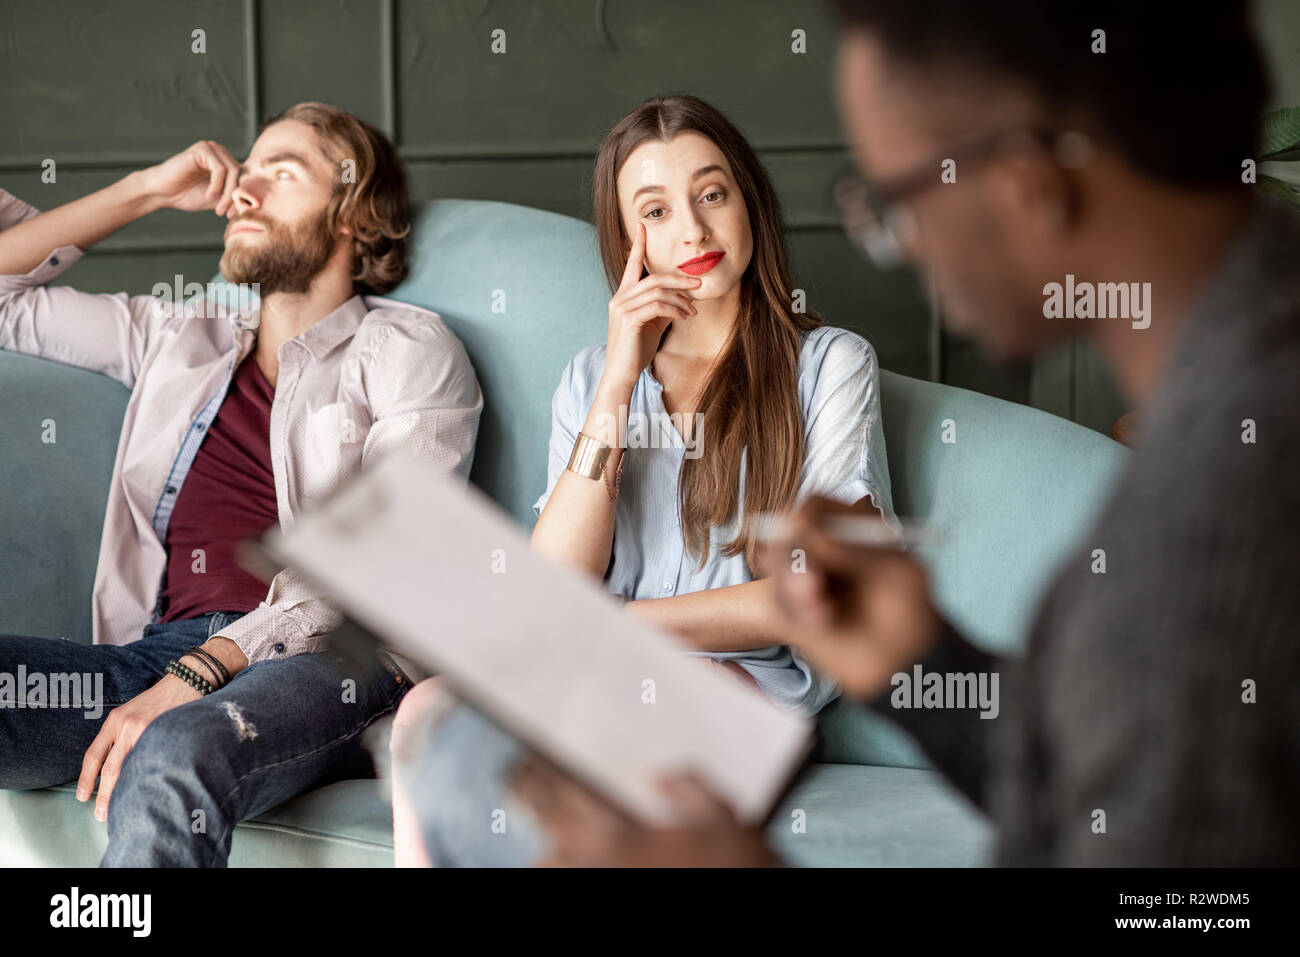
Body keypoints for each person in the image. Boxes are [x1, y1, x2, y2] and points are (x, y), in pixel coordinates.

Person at [506, 0, 1300, 867]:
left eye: (893, 202)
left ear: (1029, 186)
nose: (902, 245)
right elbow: (1079, 790)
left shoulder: (1232, 501)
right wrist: (918, 657)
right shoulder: (1216, 415)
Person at [388, 93, 896, 866]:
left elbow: (815, 590)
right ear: (631, 243)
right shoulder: (592, 378)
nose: (692, 229)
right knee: (426, 712)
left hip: (741, 687)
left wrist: (617, 626)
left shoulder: (830, 364)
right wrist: (620, 382)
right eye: (655, 211)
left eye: (712, 193)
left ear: (748, 201)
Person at [0, 102, 482, 866]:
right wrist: (148, 189)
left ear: (354, 213)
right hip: (155, 654)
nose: (243, 193)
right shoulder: (175, 336)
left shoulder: (407, 348)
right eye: (244, 173)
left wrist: (206, 668)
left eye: (281, 172)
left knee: (174, 749)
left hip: (334, 666)